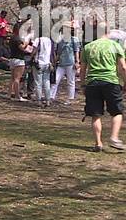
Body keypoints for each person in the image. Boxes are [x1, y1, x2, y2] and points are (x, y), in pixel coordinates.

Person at [81, 24, 125, 152]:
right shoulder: (115, 45)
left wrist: (83, 84)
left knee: (95, 114)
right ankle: (114, 137)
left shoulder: (87, 47)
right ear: (108, 32)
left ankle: (98, 143)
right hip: (110, 81)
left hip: (92, 82)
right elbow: (123, 67)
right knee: (117, 112)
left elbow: (82, 69)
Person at [54, 25, 81, 104]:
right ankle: (51, 96)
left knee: (71, 81)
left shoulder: (74, 39)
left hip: (70, 62)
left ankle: (70, 98)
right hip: (61, 63)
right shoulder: (60, 39)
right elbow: (58, 52)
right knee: (55, 80)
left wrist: (77, 62)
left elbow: (76, 51)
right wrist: (55, 60)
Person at [7, 26, 31, 101]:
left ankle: (9, 94)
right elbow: (22, 48)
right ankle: (17, 96)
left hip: (12, 59)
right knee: (17, 78)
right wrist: (26, 43)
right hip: (19, 60)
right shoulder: (17, 39)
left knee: (12, 78)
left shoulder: (11, 38)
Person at [31, 31, 54, 106]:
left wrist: (31, 57)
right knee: (46, 82)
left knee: (38, 83)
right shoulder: (49, 40)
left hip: (39, 63)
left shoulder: (38, 40)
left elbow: (34, 51)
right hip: (47, 63)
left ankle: (39, 101)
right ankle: (47, 100)